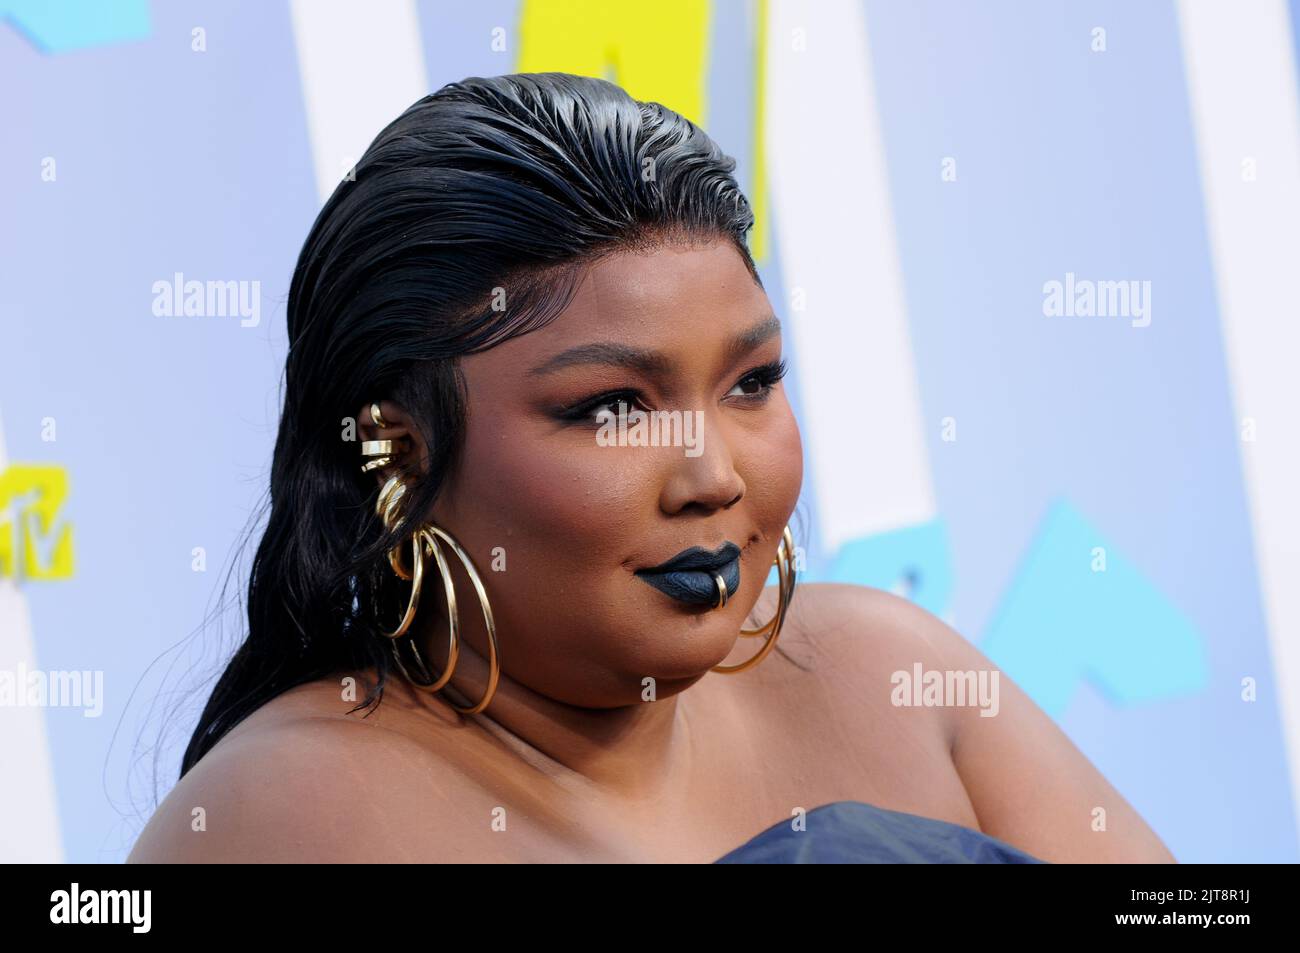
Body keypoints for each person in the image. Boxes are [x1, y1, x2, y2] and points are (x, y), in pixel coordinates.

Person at [128, 72, 1175, 864]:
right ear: (393, 449)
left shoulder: (887, 671)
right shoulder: (293, 811)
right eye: (612, 407)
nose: (710, 473)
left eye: (752, 382)